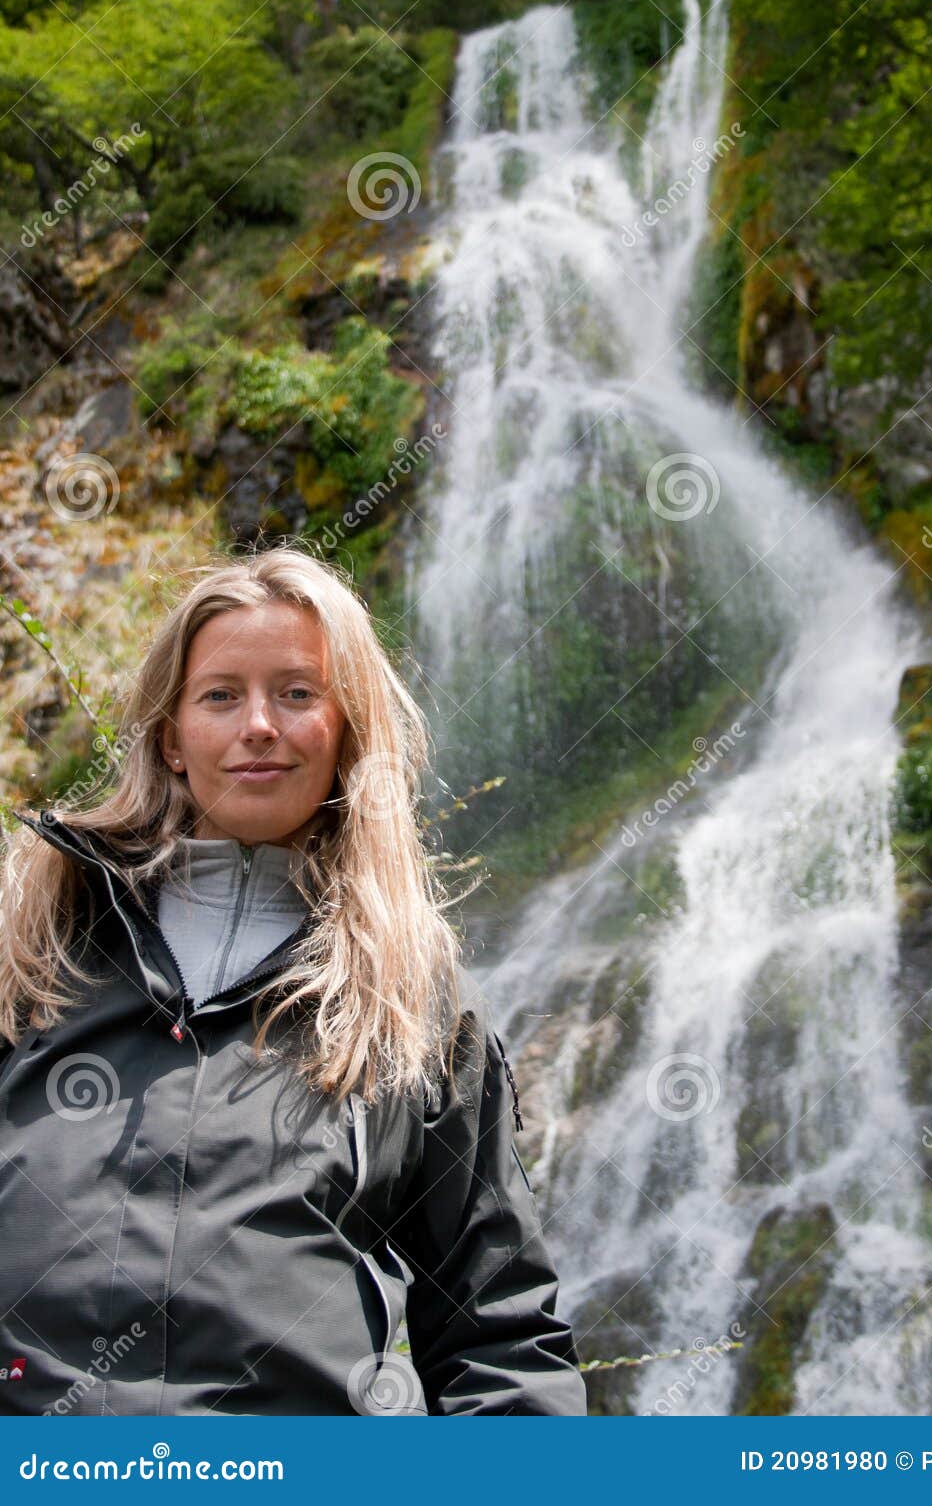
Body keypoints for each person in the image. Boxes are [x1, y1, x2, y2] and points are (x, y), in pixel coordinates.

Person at [0, 544, 587, 1417]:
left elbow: (498, 1334)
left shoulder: (408, 1003)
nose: (260, 725)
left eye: (298, 693)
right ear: (170, 736)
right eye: (220, 696)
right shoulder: (31, 949)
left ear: (346, 728)